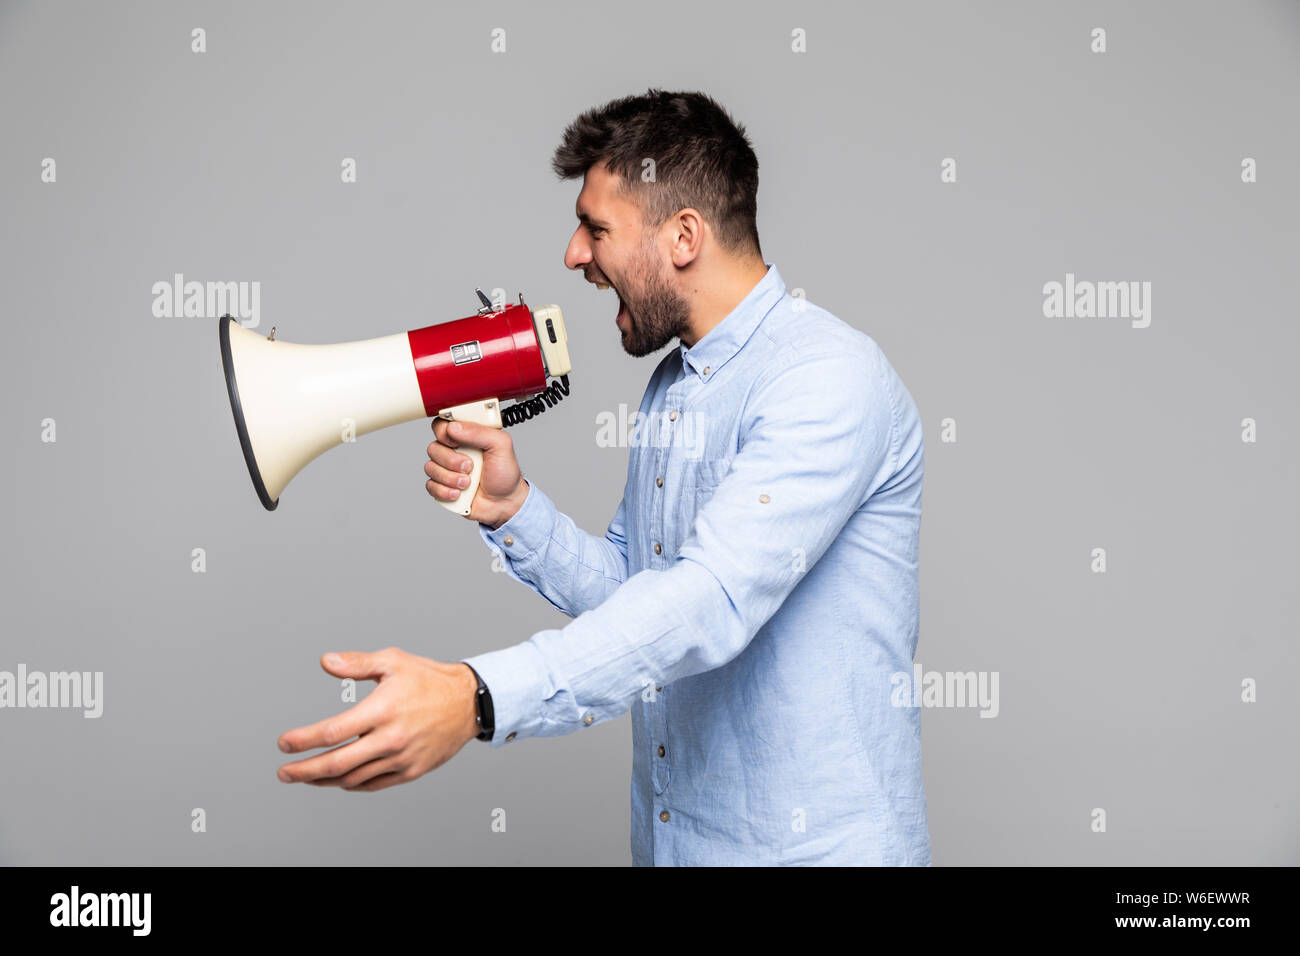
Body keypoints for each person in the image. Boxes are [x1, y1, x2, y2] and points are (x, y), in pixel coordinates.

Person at [276, 89, 931, 866]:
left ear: (683, 236)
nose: (573, 255)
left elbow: (707, 602)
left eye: (596, 228)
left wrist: (478, 697)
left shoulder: (827, 379)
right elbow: (638, 591)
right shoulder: (673, 388)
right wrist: (514, 510)